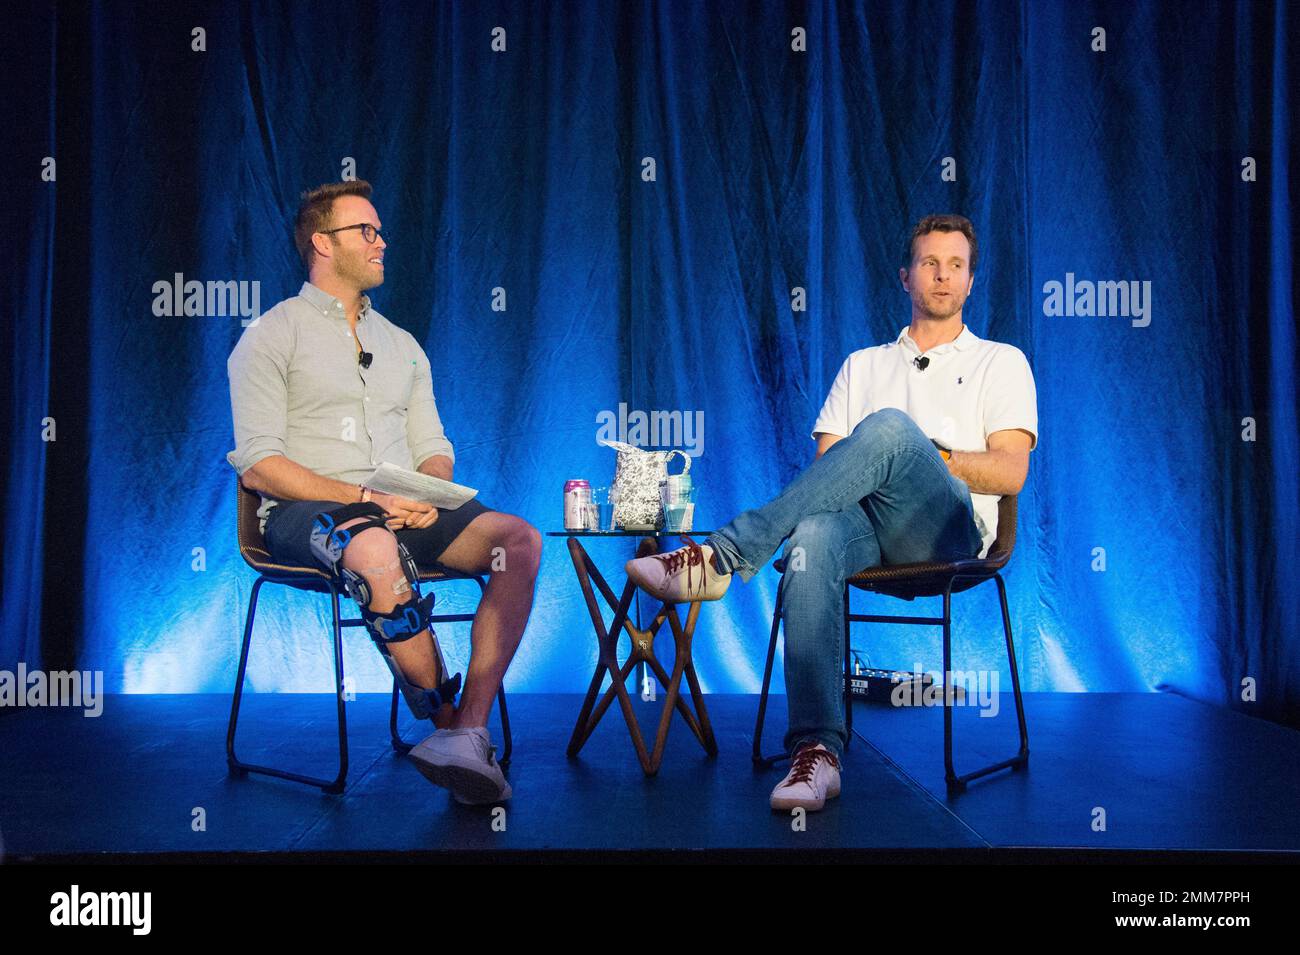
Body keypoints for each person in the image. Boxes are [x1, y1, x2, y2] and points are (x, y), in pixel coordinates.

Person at [626, 214, 1038, 812]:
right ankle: (816, 752)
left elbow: (1009, 473)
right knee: (812, 535)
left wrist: (923, 456)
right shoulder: (862, 366)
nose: (942, 276)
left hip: (947, 532)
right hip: (868, 534)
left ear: (971, 281)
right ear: (905, 277)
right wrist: (883, 461)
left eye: (956, 265)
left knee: (893, 429)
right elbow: (826, 476)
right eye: (929, 263)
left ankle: (722, 555)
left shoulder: (1001, 362)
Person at [226, 180, 540, 805]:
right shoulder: (269, 335)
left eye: (378, 230)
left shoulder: (402, 345)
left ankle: (471, 731)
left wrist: (433, 493)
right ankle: (448, 727)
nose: (381, 241)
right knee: (370, 547)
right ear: (322, 243)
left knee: (519, 540)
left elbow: (433, 444)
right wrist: (363, 497)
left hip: (403, 507)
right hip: (305, 512)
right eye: (365, 231)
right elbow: (260, 465)